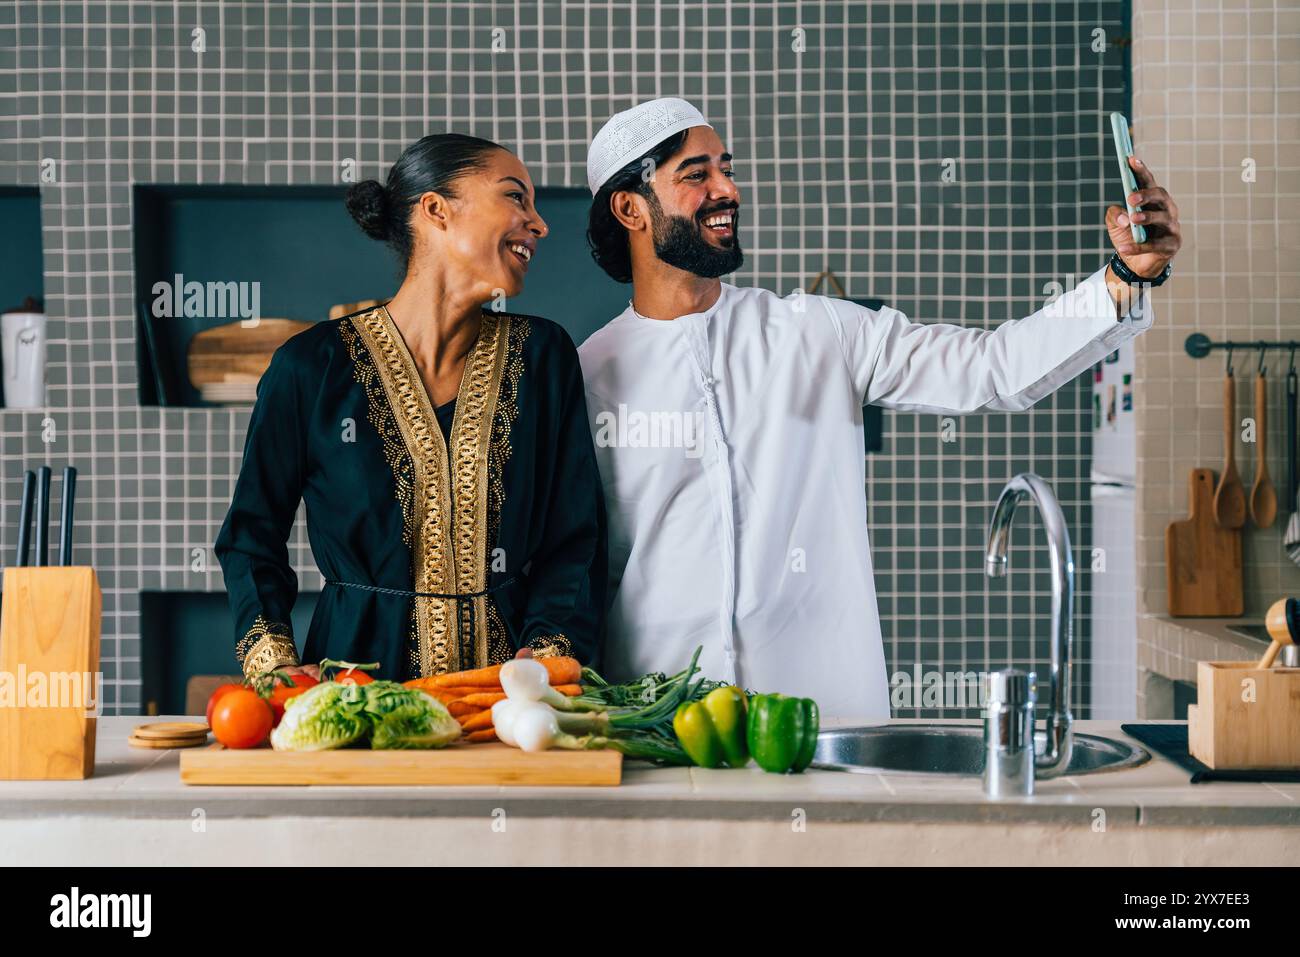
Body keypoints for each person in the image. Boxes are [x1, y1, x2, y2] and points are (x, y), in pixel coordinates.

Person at [578, 98, 1180, 718]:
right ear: (631, 208)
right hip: (656, 722)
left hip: (826, 718)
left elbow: (992, 369)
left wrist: (1124, 278)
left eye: (725, 168)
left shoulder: (817, 332)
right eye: (696, 174)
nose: (727, 189)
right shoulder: (588, 374)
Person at [215, 132, 607, 683]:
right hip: (354, 689)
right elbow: (250, 534)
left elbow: (575, 537)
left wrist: (547, 654)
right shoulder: (311, 366)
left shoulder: (544, 357)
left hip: (505, 702)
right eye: (516, 197)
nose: (539, 224)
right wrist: (275, 669)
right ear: (436, 210)